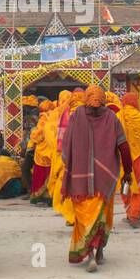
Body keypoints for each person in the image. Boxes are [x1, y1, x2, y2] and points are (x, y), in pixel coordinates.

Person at [61, 85, 132, 272]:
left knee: (85, 217)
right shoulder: (111, 117)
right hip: (105, 178)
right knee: (102, 216)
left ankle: (91, 254)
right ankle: (99, 250)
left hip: (80, 178)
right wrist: (128, 172)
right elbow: (124, 147)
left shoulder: (76, 116)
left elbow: (65, 144)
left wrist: (69, 163)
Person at [49, 89, 85, 225]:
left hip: (67, 155)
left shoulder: (65, 113)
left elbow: (61, 138)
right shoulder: (88, 112)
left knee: (70, 183)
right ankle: (80, 215)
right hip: (84, 156)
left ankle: (70, 216)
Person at [117, 91, 140, 226]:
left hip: (122, 157)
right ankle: (135, 214)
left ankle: (133, 212)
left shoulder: (118, 116)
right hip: (139, 156)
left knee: (126, 183)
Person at [28, 100, 54, 205]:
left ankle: (38, 196)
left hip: (41, 152)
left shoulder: (43, 118)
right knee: (50, 174)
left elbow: (39, 135)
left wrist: (32, 136)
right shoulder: (56, 117)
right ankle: (50, 196)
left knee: (40, 174)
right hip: (51, 150)